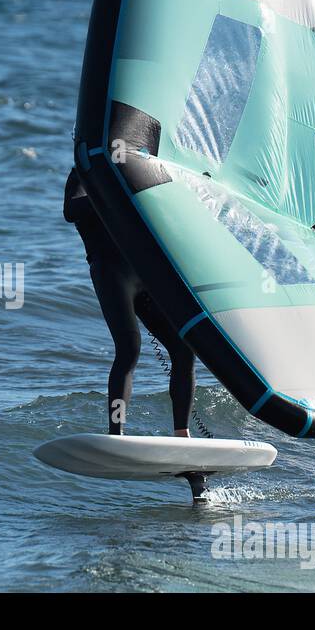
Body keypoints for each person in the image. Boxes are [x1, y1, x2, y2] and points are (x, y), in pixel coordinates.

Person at [64, 168, 197, 437]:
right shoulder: (83, 173)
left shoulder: (136, 173)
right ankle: (117, 431)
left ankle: (182, 432)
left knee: (184, 349)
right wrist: (118, 193)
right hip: (111, 274)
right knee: (129, 349)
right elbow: (71, 211)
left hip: (146, 274)